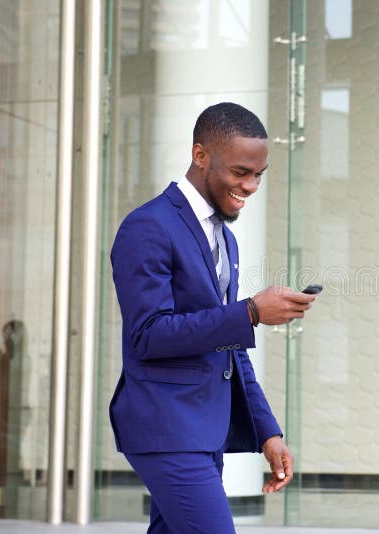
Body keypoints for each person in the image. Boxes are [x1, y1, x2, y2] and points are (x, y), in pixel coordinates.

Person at [109, 102, 316, 533]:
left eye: (258, 175)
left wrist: (267, 431)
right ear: (200, 155)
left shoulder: (226, 240)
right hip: (167, 428)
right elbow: (147, 334)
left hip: (204, 432)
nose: (251, 186)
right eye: (241, 172)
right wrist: (251, 312)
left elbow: (228, 345)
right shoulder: (147, 226)